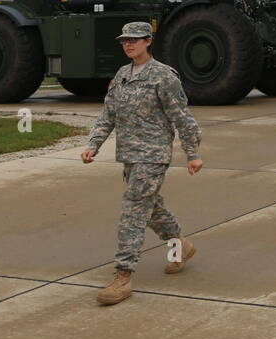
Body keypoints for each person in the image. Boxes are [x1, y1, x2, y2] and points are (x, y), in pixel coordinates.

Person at [81, 21, 204, 306]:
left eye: (134, 39)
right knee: (150, 208)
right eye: (124, 40)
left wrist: (192, 153)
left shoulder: (164, 76)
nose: (128, 44)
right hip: (130, 156)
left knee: (133, 209)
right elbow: (108, 115)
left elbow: (182, 118)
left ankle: (123, 275)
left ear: (148, 41)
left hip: (153, 155)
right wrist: (93, 144)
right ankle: (180, 246)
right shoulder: (122, 74)